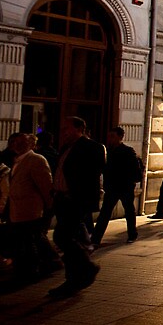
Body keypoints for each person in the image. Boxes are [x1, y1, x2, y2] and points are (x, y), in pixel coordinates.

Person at [49, 116, 105, 298]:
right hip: (62, 199)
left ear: (79, 128)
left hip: (75, 200)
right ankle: (74, 278)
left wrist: (78, 195)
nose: (63, 132)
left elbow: (92, 175)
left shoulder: (92, 147)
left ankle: (87, 268)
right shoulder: (66, 147)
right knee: (72, 238)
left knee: (61, 236)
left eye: (67, 128)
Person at [7, 132, 61, 281]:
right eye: (14, 142)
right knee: (29, 239)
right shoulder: (18, 160)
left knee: (31, 239)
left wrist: (48, 206)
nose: (17, 145)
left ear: (31, 144)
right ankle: (41, 264)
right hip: (18, 208)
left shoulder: (36, 160)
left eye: (22, 142)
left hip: (31, 209)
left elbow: (45, 186)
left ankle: (34, 268)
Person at [91, 127, 142, 245]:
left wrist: (131, 180)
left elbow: (135, 169)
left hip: (125, 186)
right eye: (109, 136)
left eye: (113, 136)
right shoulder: (107, 151)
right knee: (105, 212)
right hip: (112, 186)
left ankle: (132, 234)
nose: (110, 139)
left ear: (120, 137)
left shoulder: (128, 151)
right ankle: (96, 239)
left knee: (129, 210)